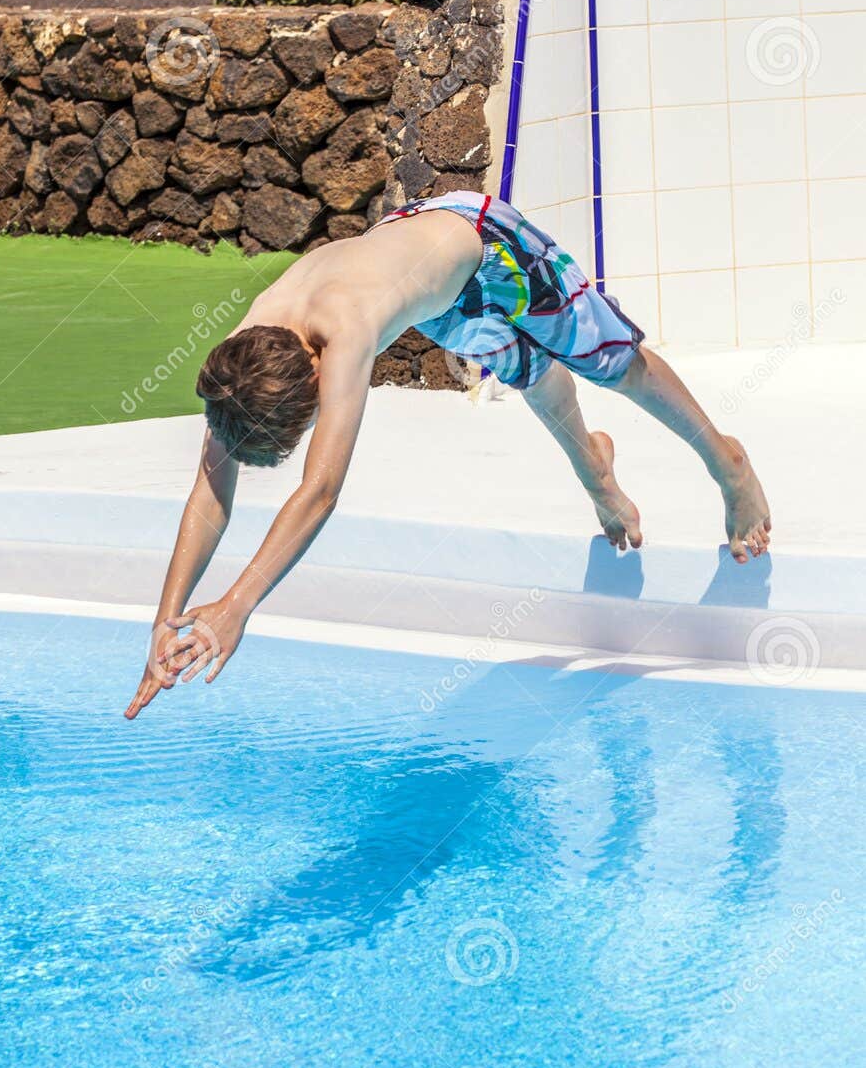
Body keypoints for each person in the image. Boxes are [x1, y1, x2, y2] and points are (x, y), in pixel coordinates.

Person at [124, 191, 770, 717]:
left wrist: (236, 605)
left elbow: (318, 491)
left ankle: (725, 460)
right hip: (433, 288)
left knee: (611, 365)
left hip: (481, 244)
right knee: (531, 376)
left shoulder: (345, 330)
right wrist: (165, 619)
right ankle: (594, 469)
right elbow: (210, 491)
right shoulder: (242, 362)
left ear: (316, 374)